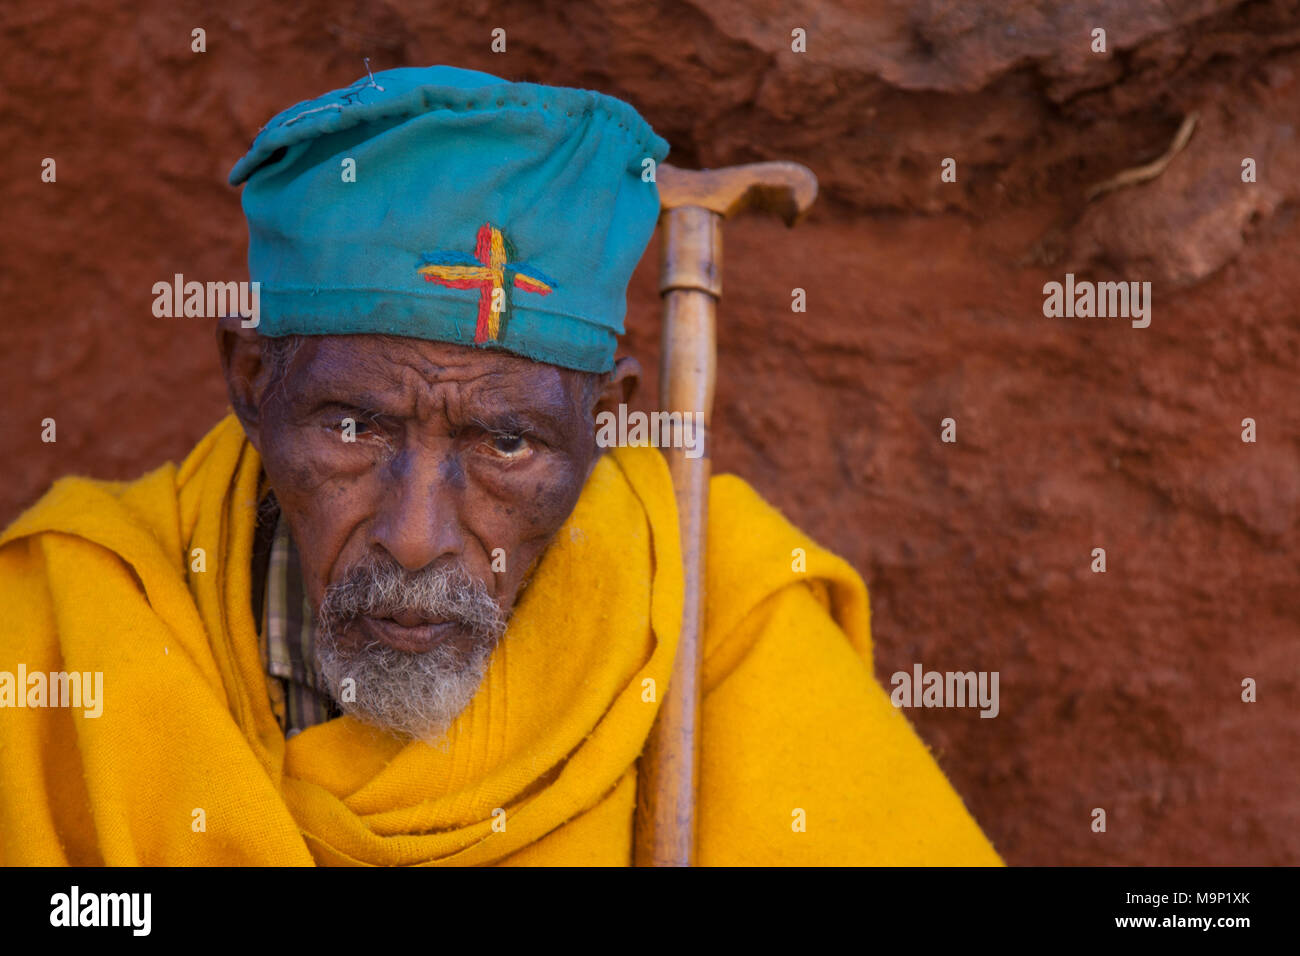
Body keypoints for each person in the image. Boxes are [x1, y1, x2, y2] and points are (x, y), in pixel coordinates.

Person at [0, 65, 1002, 866]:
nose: (417, 534)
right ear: (252, 379)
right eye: (354, 428)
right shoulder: (62, 630)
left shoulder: (717, 619)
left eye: (506, 444)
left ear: (611, 418)